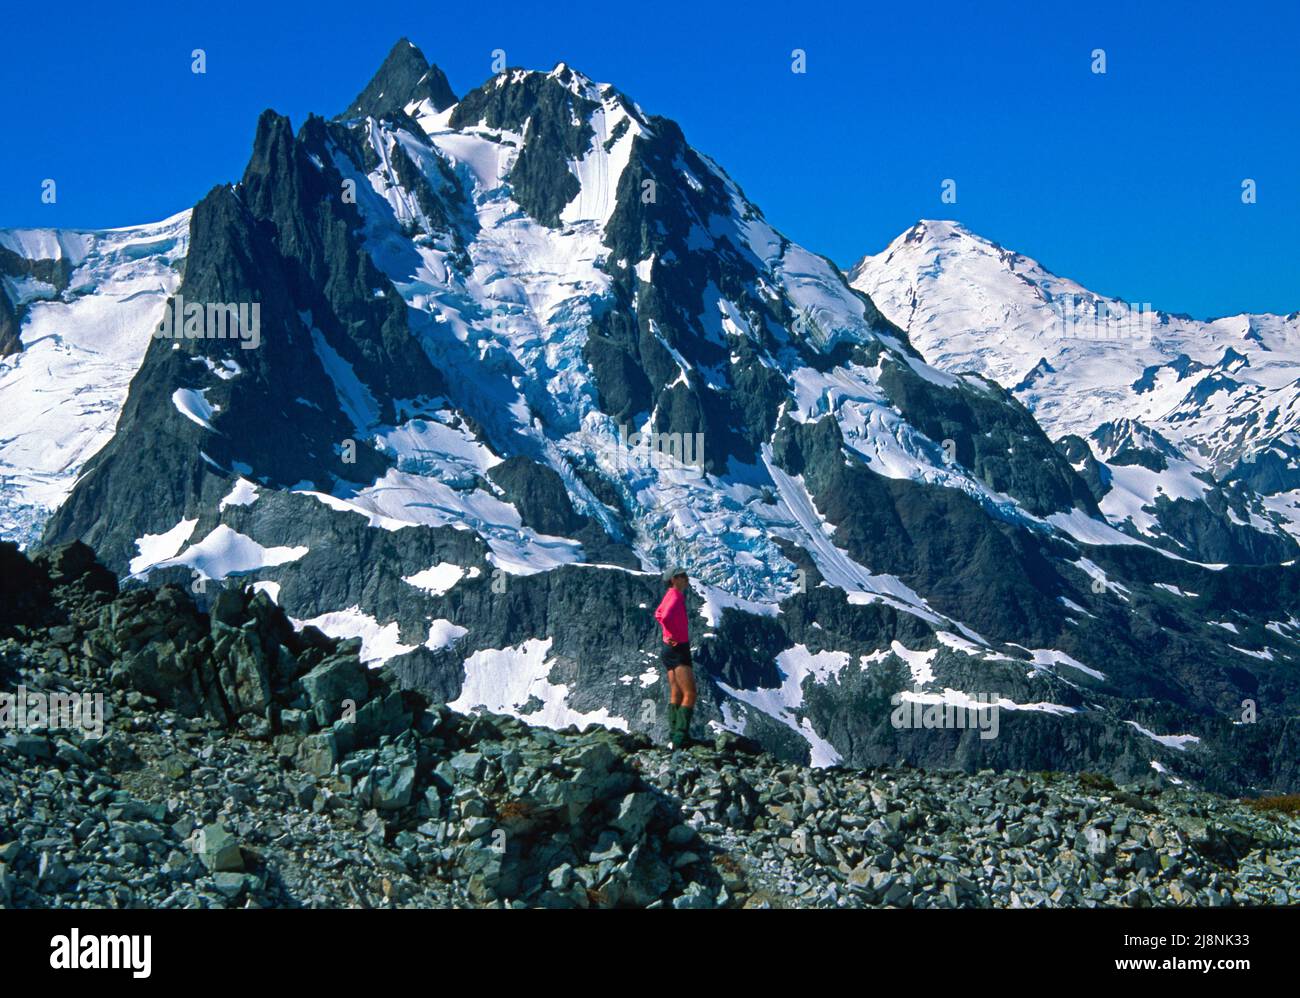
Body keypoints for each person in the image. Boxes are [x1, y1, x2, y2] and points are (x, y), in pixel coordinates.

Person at [653, 568, 695, 749]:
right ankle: (680, 738)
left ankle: (674, 734)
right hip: (679, 648)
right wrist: (671, 633)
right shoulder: (676, 596)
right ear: (674, 579)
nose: (687, 579)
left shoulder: (669, 594)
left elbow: (658, 614)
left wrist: (666, 634)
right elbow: (667, 616)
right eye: (683, 576)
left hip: (668, 649)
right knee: (690, 693)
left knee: (675, 692)